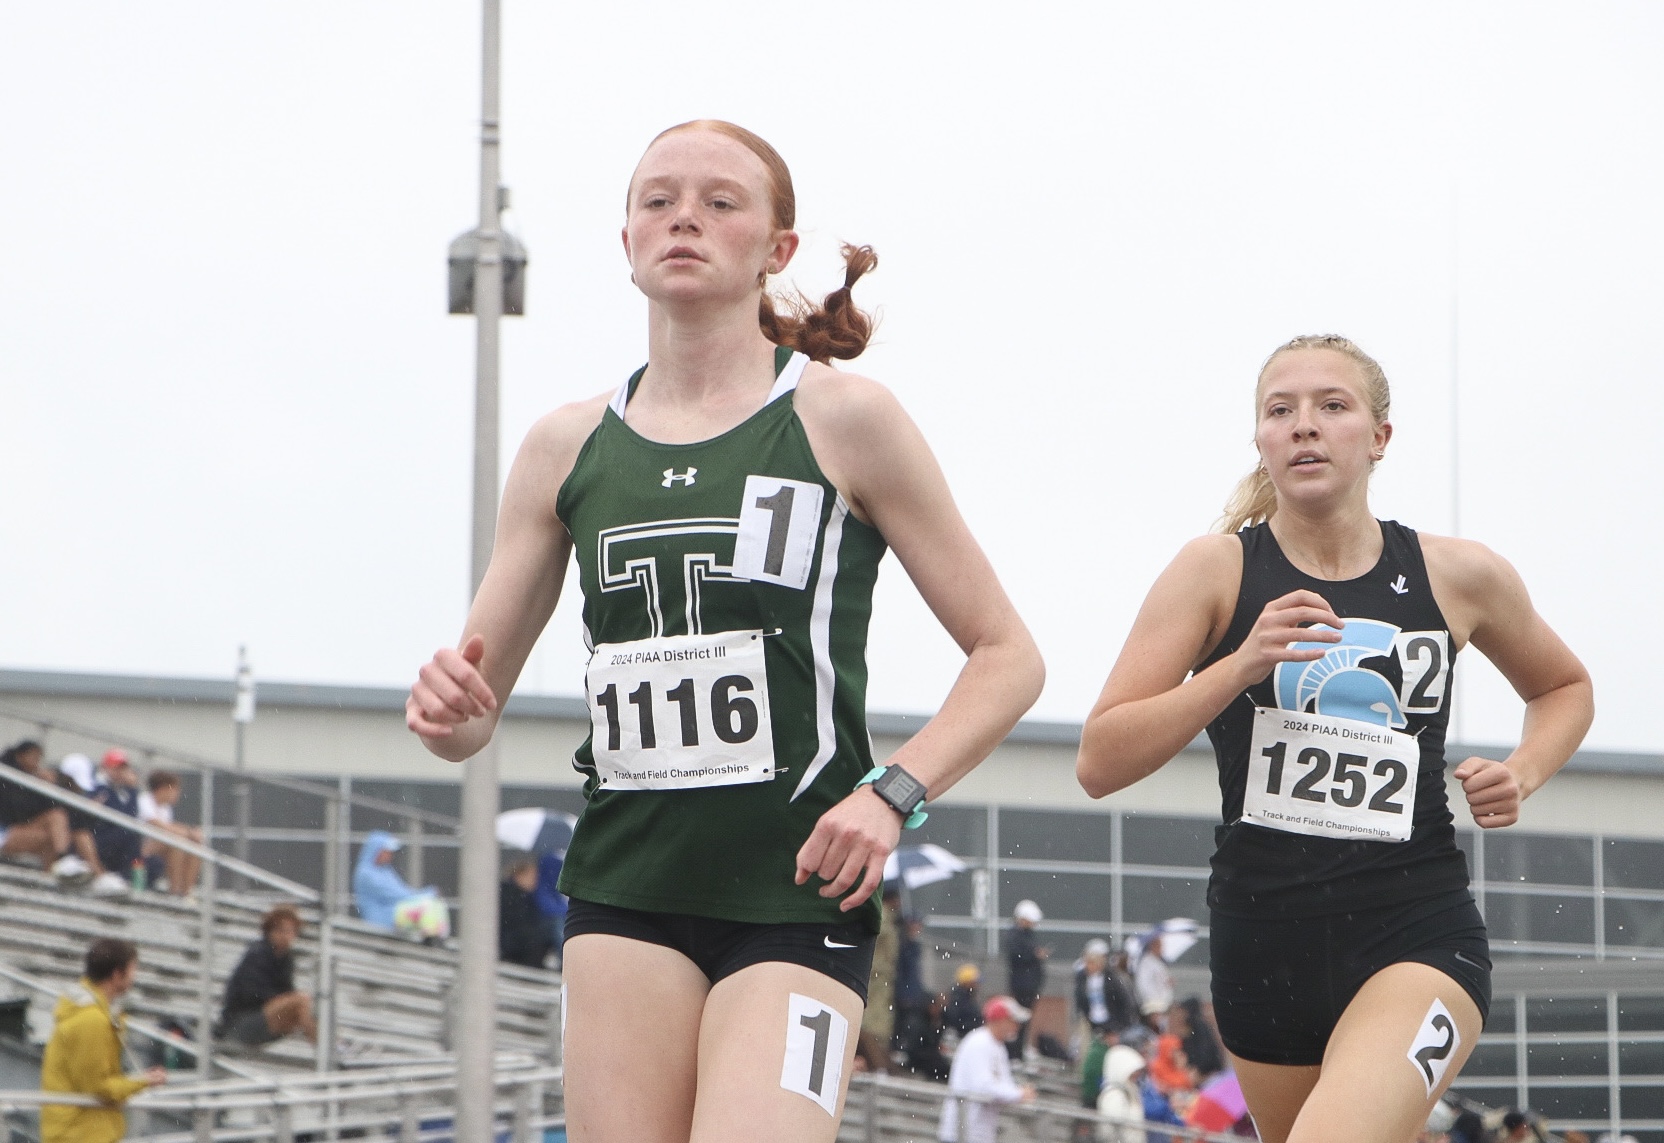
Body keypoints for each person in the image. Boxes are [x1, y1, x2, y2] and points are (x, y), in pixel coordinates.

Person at [405, 119, 1043, 1143]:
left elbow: (1009, 657)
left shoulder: (846, 420)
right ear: (625, 240)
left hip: (797, 897)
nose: (683, 219)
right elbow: (470, 718)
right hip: (625, 895)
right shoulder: (563, 446)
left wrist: (892, 794)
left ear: (775, 248)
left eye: (718, 201)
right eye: (657, 200)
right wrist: (447, 711)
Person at [1076, 335, 1594, 1143]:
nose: (1303, 425)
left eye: (1331, 406)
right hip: (1263, 948)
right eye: (1280, 410)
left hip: (1419, 932)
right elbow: (1099, 760)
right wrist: (1240, 664)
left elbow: (1564, 686)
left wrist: (1523, 771)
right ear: (1260, 438)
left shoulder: (1458, 573)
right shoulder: (1214, 571)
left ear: (1379, 436)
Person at [39, 938, 168, 1143]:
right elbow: (99, 1088)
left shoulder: (94, 1013)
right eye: (133, 970)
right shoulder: (92, 1020)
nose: (134, 977)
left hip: (83, 1132)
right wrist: (143, 1082)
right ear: (117, 974)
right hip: (81, 1135)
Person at [937, 996, 1037, 1143]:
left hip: (976, 1135)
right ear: (1000, 1020)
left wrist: (1018, 1093)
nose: (1017, 1026)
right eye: (1013, 1021)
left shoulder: (997, 1047)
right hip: (961, 1134)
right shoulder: (980, 1043)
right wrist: (1018, 1094)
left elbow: (1003, 1085)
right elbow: (983, 1087)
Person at [219, 904, 316, 1046]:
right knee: (301, 1001)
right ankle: (323, 1046)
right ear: (270, 931)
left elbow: (287, 990)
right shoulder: (257, 954)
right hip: (240, 1023)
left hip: (262, 1018)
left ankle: (326, 1045)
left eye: (290, 932)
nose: (286, 936)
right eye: (281, 930)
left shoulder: (285, 959)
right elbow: (251, 994)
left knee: (307, 1006)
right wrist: (283, 1000)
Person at [0, 739, 92, 886]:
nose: (37, 763)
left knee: (55, 823)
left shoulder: (30, 779)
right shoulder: (7, 775)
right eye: (34, 757)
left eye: (39, 759)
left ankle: (53, 874)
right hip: (5, 832)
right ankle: (60, 863)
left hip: (16, 829)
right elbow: (16, 811)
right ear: (20, 755)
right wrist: (35, 784)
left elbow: (47, 810)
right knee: (56, 823)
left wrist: (48, 788)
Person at [352, 830, 450, 940]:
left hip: (395, 914)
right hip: (380, 919)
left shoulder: (386, 871)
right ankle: (431, 940)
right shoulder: (366, 874)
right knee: (426, 908)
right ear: (376, 850)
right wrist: (427, 894)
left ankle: (437, 939)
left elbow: (402, 891)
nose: (390, 855)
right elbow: (396, 895)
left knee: (436, 904)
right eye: (386, 851)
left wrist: (427, 895)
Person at [53, 753, 128, 897]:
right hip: (47, 841)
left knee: (80, 829)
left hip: (61, 843)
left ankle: (83, 868)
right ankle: (70, 862)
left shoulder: (122, 792)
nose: (80, 788)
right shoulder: (51, 794)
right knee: (72, 826)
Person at [137, 770, 202, 895]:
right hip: (141, 847)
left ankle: (186, 892)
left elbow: (169, 828)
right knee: (177, 843)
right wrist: (189, 833)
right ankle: (175, 891)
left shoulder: (165, 808)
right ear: (163, 789)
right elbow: (158, 826)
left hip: (158, 846)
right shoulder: (144, 801)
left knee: (194, 847)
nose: (178, 794)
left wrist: (191, 835)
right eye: (175, 789)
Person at [90, 749, 143, 883]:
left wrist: (132, 790)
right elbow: (116, 815)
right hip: (99, 837)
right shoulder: (98, 787)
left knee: (153, 862)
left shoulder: (126, 791)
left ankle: (127, 879)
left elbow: (132, 814)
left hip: (119, 838)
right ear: (105, 768)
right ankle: (123, 878)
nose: (120, 772)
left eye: (123, 768)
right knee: (129, 835)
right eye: (116, 768)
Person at [1075, 937, 1138, 1051]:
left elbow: (1124, 1003)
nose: (1088, 966)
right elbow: (1080, 1000)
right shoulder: (1082, 978)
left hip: (1112, 1023)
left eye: (1091, 963)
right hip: (1092, 1023)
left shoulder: (1112, 978)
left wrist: (1117, 1028)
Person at [1005, 900, 1047, 1059]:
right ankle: (1014, 1052)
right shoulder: (1015, 935)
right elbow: (1016, 955)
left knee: (1025, 1018)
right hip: (1022, 985)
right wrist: (1034, 955)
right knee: (1018, 1018)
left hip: (1030, 984)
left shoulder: (1027, 935)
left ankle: (1020, 1049)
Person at [499, 858, 554, 968]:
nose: (535, 881)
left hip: (517, 947)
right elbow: (517, 925)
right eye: (532, 876)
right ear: (519, 875)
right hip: (516, 949)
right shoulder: (512, 895)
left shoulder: (523, 896)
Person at [1096, 1043, 1149, 1143]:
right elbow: (1111, 1127)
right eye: (1133, 1071)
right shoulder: (1114, 1095)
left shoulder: (1131, 1090)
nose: (1137, 1074)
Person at [944, 964, 985, 1040]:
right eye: (974, 982)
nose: (977, 985)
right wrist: (976, 1025)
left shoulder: (966, 997)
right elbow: (956, 1022)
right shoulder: (958, 999)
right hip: (961, 1038)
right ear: (967, 983)